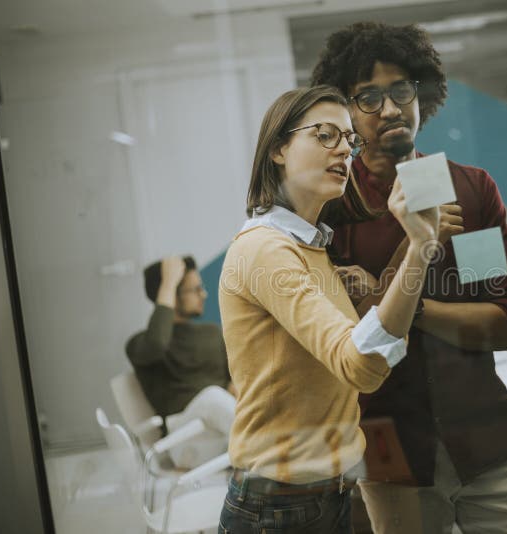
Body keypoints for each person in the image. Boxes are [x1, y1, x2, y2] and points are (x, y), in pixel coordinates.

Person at [312, 22, 507, 534]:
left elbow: (504, 323)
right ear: (346, 113)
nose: (391, 108)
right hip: (389, 454)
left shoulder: (465, 192)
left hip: (488, 438)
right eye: (368, 96)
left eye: (401, 89)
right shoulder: (330, 209)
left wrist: (400, 309)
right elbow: (342, 345)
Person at [216, 85, 439, 534]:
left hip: (314, 495)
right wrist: (420, 247)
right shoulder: (265, 249)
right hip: (280, 507)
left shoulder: (308, 247)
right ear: (278, 147)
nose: (345, 151)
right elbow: (361, 366)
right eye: (325, 135)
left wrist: (342, 285)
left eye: (348, 139)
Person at [126, 255, 236, 467]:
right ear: (171, 296)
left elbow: (235, 377)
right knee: (213, 397)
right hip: (184, 439)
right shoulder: (141, 344)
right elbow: (157, 344)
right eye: (195, 290)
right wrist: (168, 282)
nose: (203, 294)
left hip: (225, 431)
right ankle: (273, 454)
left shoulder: (213, 332)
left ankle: (272, 455)